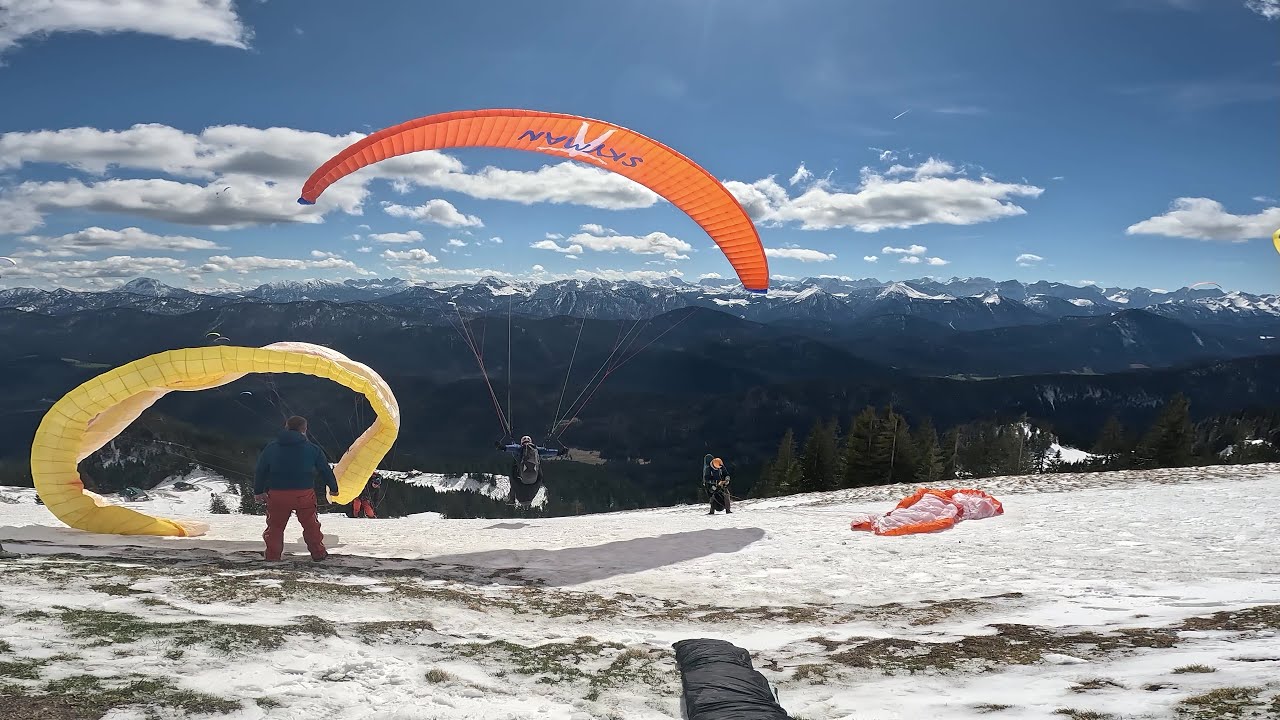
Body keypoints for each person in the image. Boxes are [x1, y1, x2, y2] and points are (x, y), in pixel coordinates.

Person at [254, 415, 338, 562]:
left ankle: (272, 556)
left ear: (286, 427)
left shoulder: (272, 448)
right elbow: (325, 470)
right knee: (310, 524)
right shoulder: (313, 449)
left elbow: (261, 470)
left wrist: (258, 491)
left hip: (277, 493)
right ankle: (318, 553)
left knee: (275, 527)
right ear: (304, 429)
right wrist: (333, 488)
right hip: (303, 493)